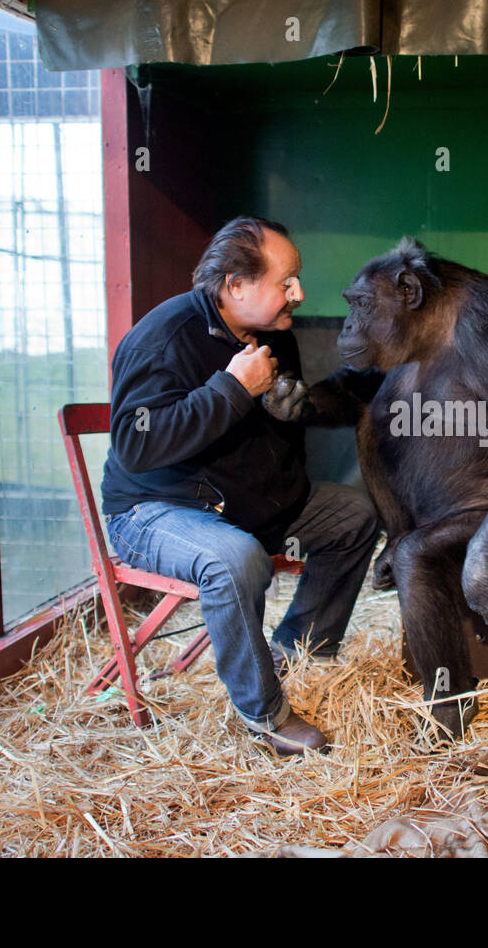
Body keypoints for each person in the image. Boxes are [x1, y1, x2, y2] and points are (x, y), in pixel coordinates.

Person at [100, 216, 379, 755]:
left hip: (244, 507)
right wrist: (231, 388)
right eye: (286, 281)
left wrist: (286, 410)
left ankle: (296, 654)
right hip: (155, 511)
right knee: (234, 558)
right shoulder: (164, 336)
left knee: (355, 516)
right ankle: (266, 715)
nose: (299, 292)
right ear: (235, 285)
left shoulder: (276, 338)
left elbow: (275, 445)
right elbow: (137, 446)